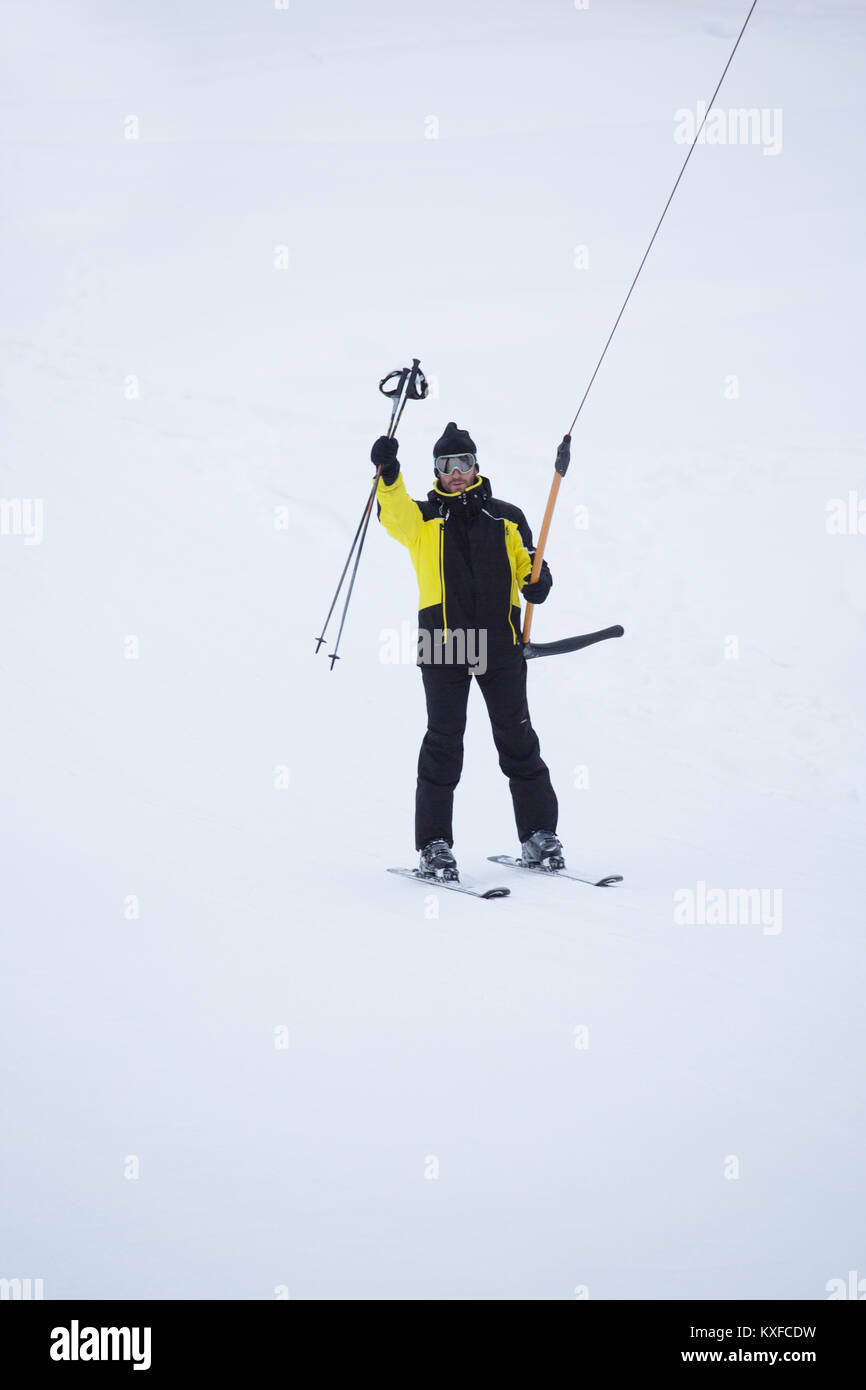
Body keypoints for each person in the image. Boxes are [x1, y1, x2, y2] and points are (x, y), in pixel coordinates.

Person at [372, 421, 564, 881]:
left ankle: (540, 835)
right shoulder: (421, 519)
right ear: (435, 471)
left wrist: (538, 584)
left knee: (518, 740)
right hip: (443, 644)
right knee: (443, 743)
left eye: (463, 463)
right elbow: (391, 511)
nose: (455, 472)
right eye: (445, 465)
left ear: (476, 466)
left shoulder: (506, 516)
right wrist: (389, 472)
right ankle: (434, 846)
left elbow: (529, 567)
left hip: (500, 645)